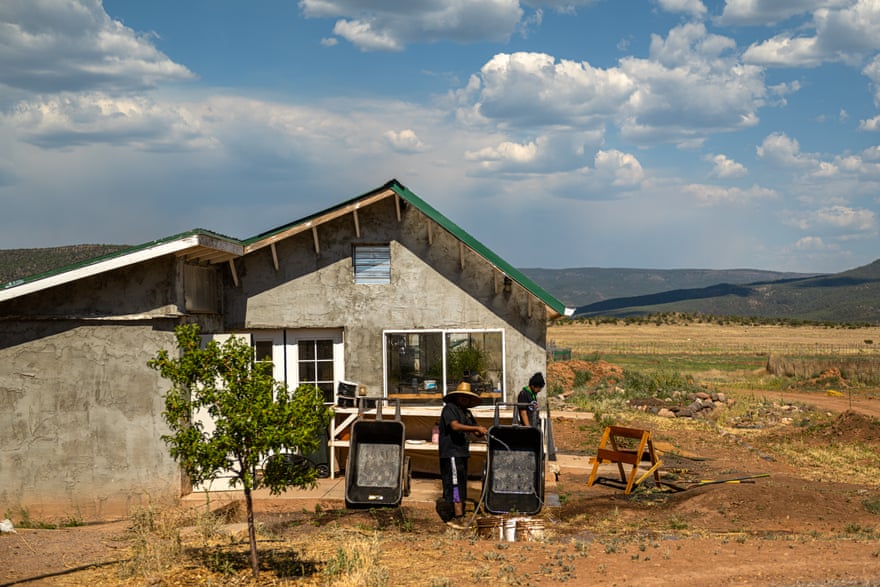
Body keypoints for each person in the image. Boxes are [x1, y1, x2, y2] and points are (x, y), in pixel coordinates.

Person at [437, 382, 487, 528]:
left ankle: (460, 513)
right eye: (462, 397)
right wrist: (475, 428)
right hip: (451, 451)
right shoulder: (450, 409)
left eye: (467, 398)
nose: (465, 399)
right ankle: (457, 517)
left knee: (461, 481)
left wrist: (480, 430)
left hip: (462, 452)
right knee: (455, 483)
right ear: (457, 397)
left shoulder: (466, 413)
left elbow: (475, 431)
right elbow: (455, 426)